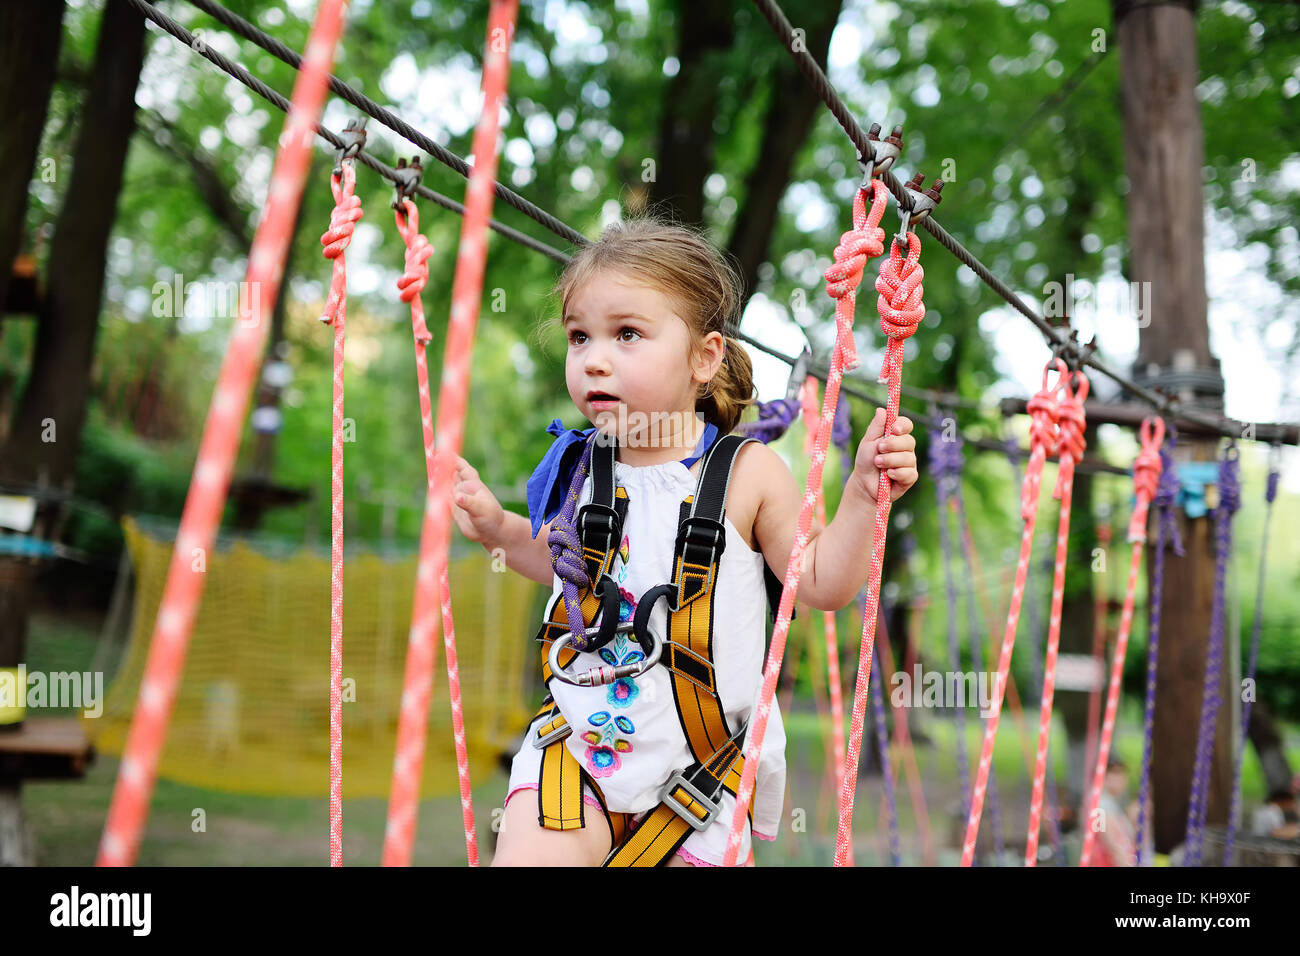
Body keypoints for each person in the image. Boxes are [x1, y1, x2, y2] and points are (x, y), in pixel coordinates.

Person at [451, 218, 919, 866]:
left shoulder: (748, 475)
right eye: (579, 336)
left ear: (704, 357)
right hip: (578, 757)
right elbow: (565, 568)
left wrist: (865, 495)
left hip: (697, 785)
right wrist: (498, 529)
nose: (594, 357)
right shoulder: (583, 465)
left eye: (627, 334)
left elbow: (820, 585)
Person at [1095, 757, 1137, 866]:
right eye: (1115, 774)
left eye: (1122, 774)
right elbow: (1111, 843)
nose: (1121, 778)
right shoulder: (1102, 806)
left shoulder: (1109, 803)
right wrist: (1125, 862)